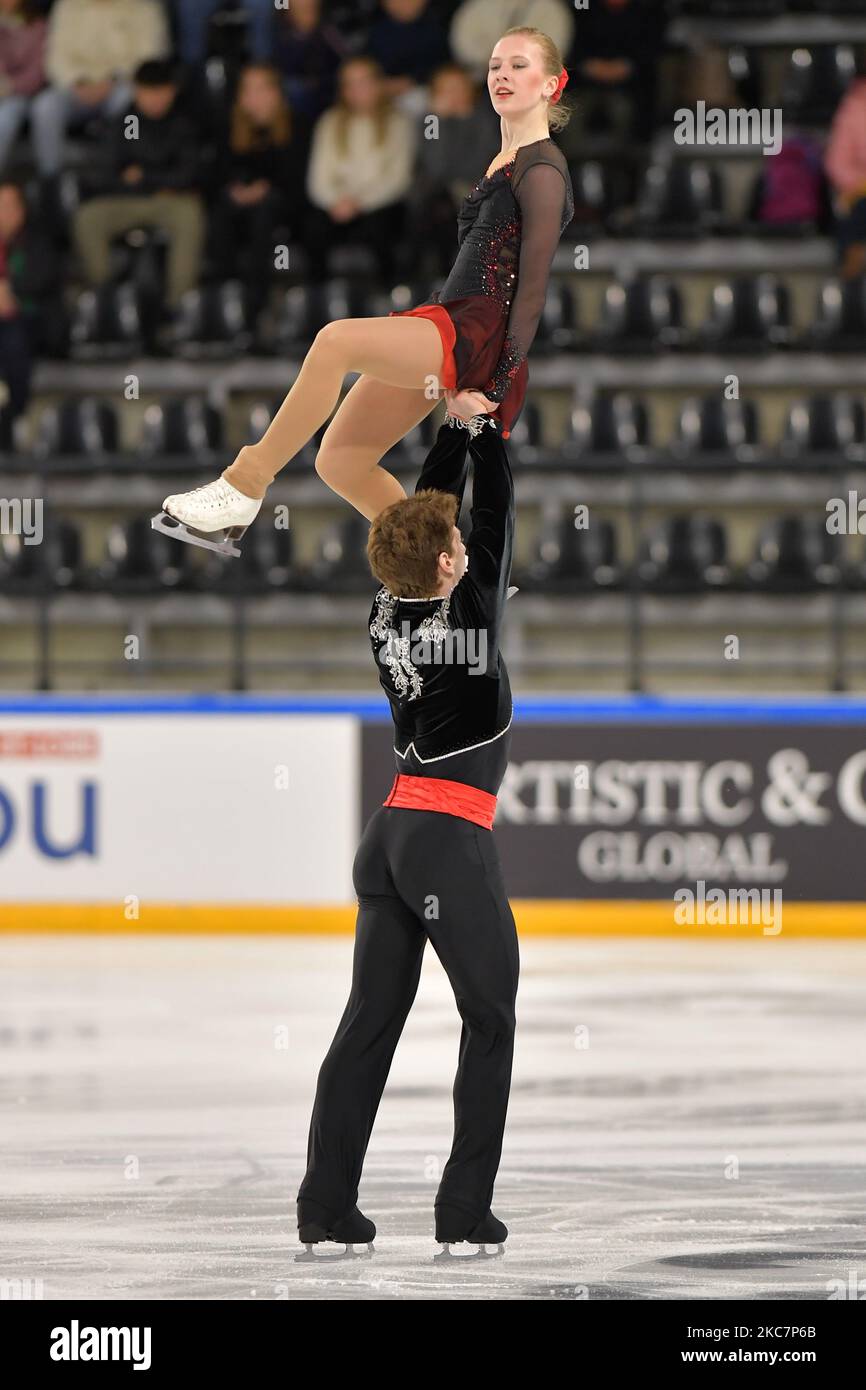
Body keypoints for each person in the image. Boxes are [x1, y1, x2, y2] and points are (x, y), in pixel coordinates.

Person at [157, 26, 574, 554]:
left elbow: (532, 290)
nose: (502, 76)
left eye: (518, 66)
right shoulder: (505, 160)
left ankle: (245, 483)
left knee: (335, 341)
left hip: (476, 334)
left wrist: (495, 382)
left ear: (552, 85)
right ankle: (449, 566)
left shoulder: (543, 169)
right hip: (451, 323)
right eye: (495, 66)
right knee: (341, 459)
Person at [296, 408, 519, 1256]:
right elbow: (491, 515)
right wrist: (491, 438)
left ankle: (326, 1205)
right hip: (445, 841)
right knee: (490, 1015)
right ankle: (463, 1210)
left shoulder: (387, 610)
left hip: (387, 839)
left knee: (367, 1023)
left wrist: (457, 433)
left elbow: (432, 517)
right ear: (450, 564)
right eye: (457, 545)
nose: (466, 544)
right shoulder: (466, 624)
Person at [73, 58, 204, 312]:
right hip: (125, 200)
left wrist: (143, 177)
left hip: (169, 202)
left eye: (161, 91)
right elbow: (103, 174)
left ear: (172, 90)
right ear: (137, 90)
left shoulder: (183, 124)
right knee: (88, 217)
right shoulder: (122, 123)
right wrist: (152, 179)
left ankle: (180, 306)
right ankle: (106, 301)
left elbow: (189, 174)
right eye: (148, 91)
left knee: (190, 214)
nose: (155, 99)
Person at [301, 54, 415, 287]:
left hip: (379, 204)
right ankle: (320, 300)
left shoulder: (399, 122)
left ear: (378, 84)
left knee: (383, 229)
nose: (358, 90)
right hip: (337, 205)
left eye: (364, 82)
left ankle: (390, 297)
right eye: (350, 84)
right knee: (312, 227)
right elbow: (318, 177)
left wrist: (360, 202)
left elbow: (397, 179)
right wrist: (336, 202)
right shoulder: (330, 122)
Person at [208, 62, 309, 316]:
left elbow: (298, 179)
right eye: (248, 90)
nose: (255, 98)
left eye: (262, 89)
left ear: (277, 93)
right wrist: (236, 190)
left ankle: (256, 306)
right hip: (238, 207)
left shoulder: (297, 125)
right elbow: (217, 173)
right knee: (219, 214)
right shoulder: (228, 126)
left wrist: (265, 189)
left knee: (264, 215)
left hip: (284, 208)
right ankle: (225, 303)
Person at [30, 0, 168, 179]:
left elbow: (150, 57)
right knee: (45, 105)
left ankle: (129, 165)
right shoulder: (68, 6)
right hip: (76, 87)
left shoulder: (144, 7)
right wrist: (78, 80)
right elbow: (55, 56)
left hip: (123, 84)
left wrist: (113, 80)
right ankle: (50, 178)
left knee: (129, 104)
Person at [0, 179, 60, 417]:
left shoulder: (39, 240)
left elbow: (42, 279)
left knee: (13, 338)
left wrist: (9, 290)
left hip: (33, 321)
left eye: (7, 206)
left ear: (21, 210)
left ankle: (13, 415)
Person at [0, 0, 48, 176]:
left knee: (4, 118)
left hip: (23, 94)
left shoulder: (38, 26)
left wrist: (9, 87)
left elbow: (37, 73)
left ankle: (49, 178)